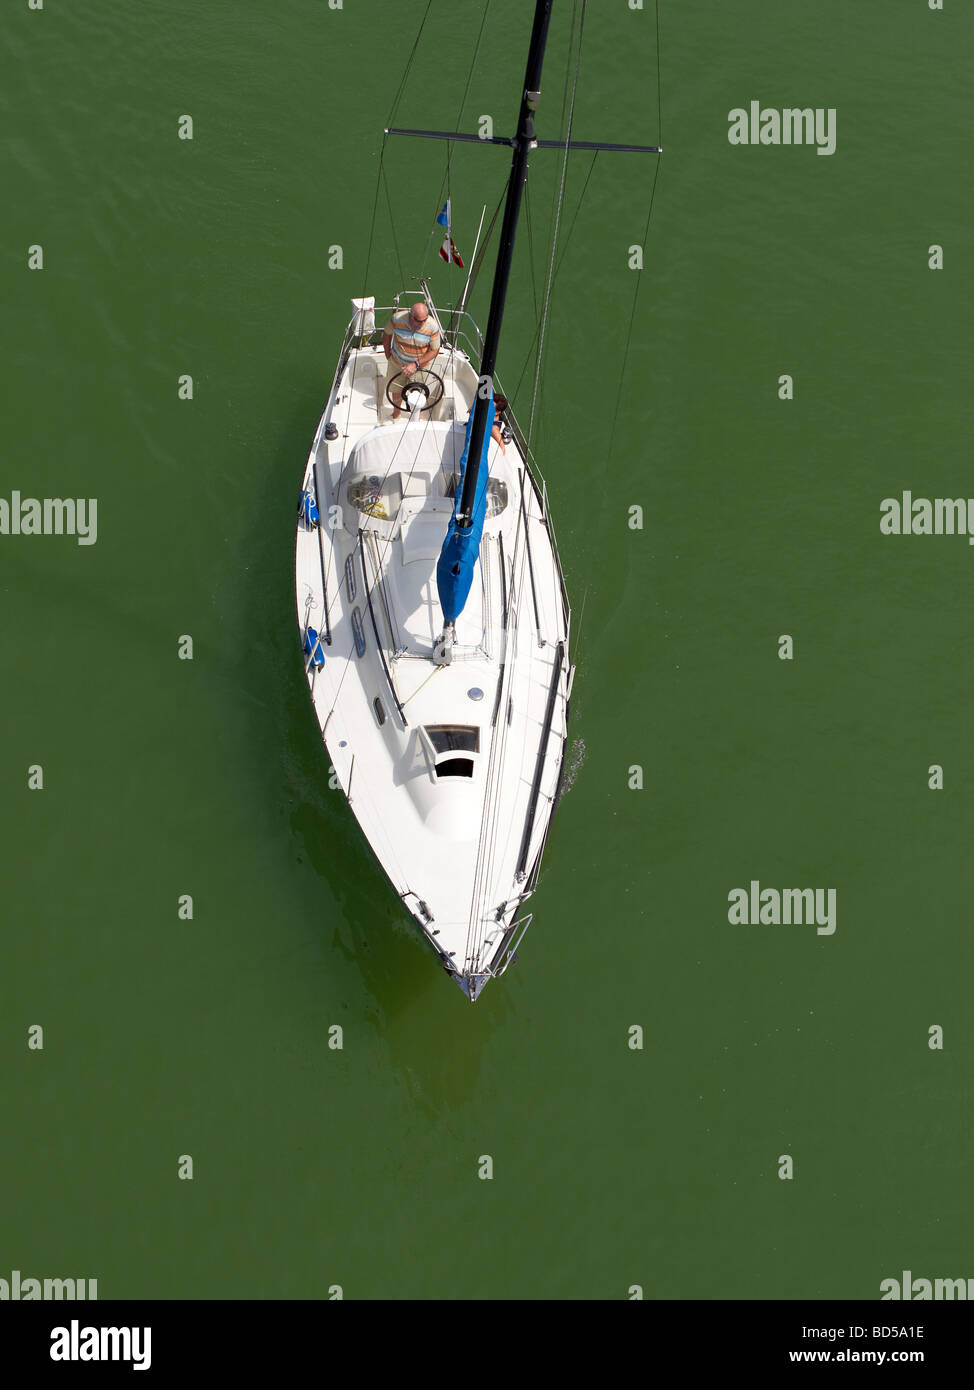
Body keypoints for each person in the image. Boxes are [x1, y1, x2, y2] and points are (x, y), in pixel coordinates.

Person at [381, 302, 441, 420]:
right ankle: (396, 413)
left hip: (420, 366)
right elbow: (387, 335)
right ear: (410, 315)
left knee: (420, 391)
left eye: (424, 320)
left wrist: (416, 364)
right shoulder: (397, 319)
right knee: (396, 389)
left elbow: (435, 350)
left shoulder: (432, 326)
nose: (422, 324)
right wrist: (388, 354)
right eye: (418, 321)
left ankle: (419, 415)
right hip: (397, 363)